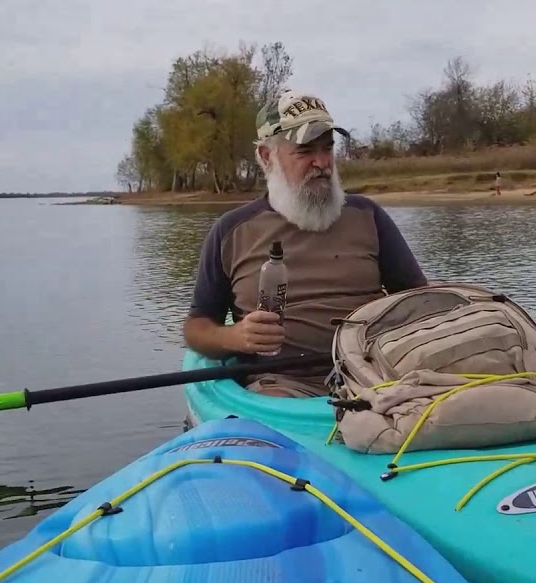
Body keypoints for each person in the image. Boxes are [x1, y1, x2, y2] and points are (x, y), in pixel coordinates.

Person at [183, 89, 429, 398]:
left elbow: (419, 299)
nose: (322, 162)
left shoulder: (367, 215)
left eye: (328, 148)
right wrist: (234, 337)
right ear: (266, 156)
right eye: (305, 151)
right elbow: (197, 326)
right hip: (281, 387)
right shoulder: (231, 231)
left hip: (376, 378)